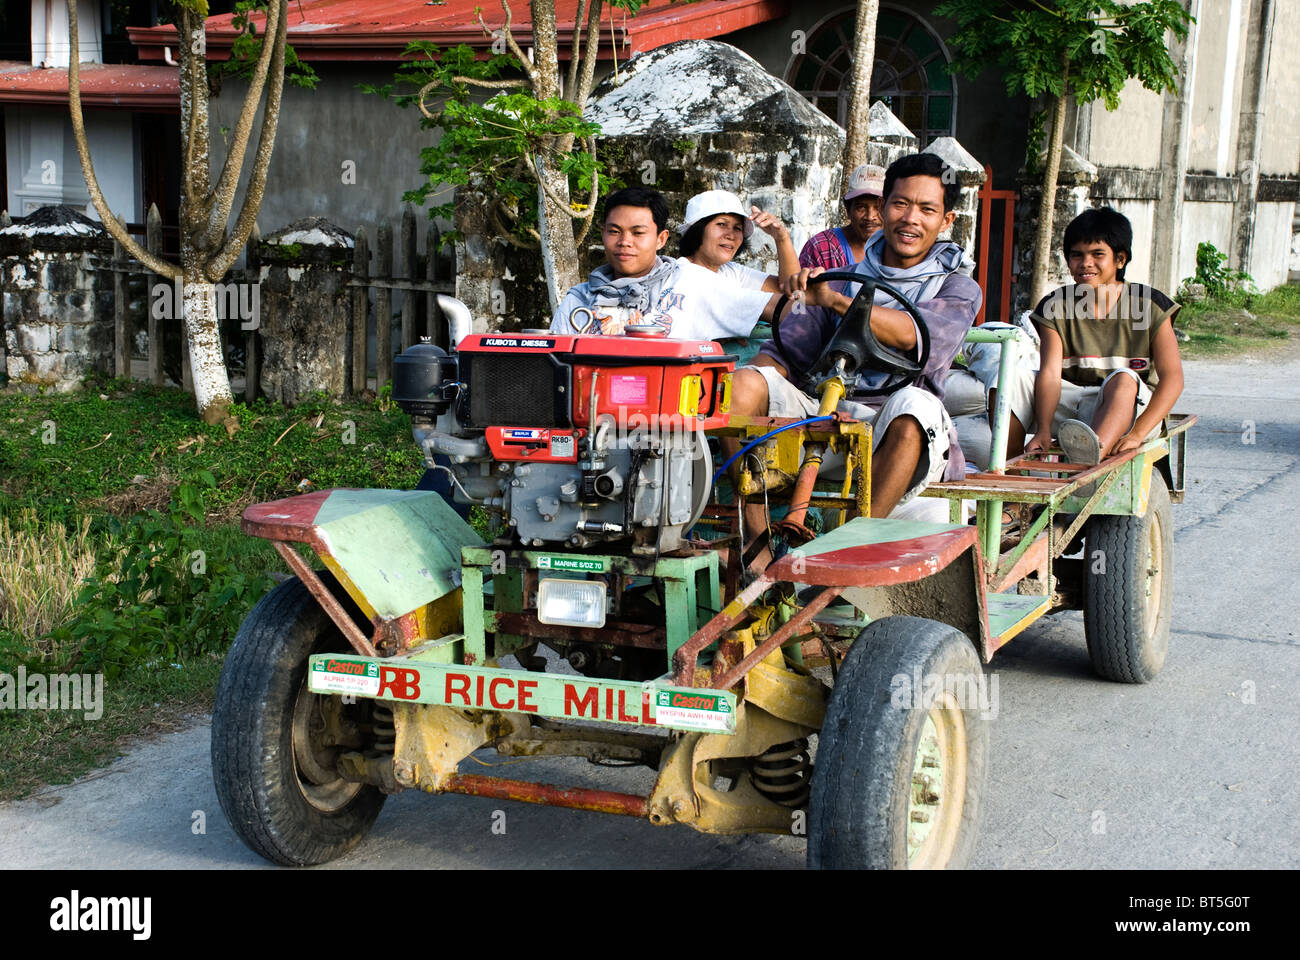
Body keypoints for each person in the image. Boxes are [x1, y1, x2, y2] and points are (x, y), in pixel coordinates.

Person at [729, 152, 982, 521]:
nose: (911, 218)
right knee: (741, 384)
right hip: (823, 416)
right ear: (883, 207)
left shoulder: (957, 287)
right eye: (901, 204)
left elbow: (917, 339)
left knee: (917, 404)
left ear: (946, 221)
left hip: (891, 434)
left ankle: (852, 547)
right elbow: (783, 357)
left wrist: (834, 301)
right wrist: (744, 387)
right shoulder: (843, 275)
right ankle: (757, 541)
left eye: (927, 210)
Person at [1000, 207, 1184, 465]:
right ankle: (1011, 479)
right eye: (1077, 255)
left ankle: (1086, 466)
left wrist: (1138, 433)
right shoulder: (1055, 305)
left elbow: (1173, 378)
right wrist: (1042, 429)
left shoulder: (1150, 305)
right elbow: (1051, 374)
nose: (1085, 263)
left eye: (1098, 254)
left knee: (1123, 379)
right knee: (1010, 378)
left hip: (1131, 410)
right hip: (1075, 404)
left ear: (1120, 260)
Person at [549, 186, 777, 339]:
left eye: (638, 233)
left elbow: (777, 307)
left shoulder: (689, 281)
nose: (624, 242)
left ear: (661, 239)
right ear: (602, 234)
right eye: (615, 231)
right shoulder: (578, 301)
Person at [677, 189, 799, 293]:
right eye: (721, 224)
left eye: (737, 228)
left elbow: (791, 293)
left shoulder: (733, 274)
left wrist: (782, 238)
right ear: (697, 231)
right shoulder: (676, 275)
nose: (731, 235)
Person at [798, 163, 886, 271]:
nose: (870, 216)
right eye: (861, 207)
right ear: (848, 208)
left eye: (878, 208)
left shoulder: (897, 250)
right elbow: (801, 286)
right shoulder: (822, 247)